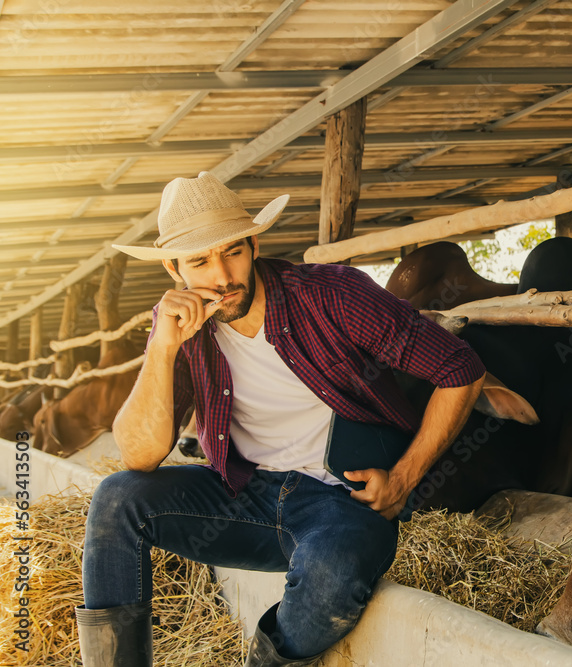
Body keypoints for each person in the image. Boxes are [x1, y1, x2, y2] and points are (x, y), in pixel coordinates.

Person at [75, 171, 486, 667]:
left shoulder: (332, 295)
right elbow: (138, 453)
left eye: (232, 252)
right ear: (173, 268)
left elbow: (459, 369)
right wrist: (163, 349)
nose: (222, 277)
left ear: (253, 244)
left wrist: (404, 477)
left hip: (340, 501)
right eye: (200, 261)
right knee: (117, 498)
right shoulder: (179, 329)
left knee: (333, 573)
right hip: (242, 495)